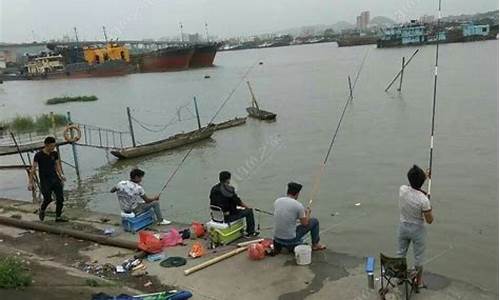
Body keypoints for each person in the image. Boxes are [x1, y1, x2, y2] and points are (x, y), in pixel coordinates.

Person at [397, 165, 434, 288]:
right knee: (419, 257)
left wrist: (424, 175)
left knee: (401, 253)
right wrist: (429, 206)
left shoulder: (402, 189)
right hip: (417, 229)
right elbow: (429, 220)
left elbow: (412, 188)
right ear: (422, 182)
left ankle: (400, 277)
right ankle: (418, 282)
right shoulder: (424, 200)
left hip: (403, 227)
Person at [273, 182, 326, 251]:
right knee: (314, 221)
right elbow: (305, 223)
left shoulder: (277, 201)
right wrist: (307, 213)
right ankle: (315, 245)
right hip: (290, 241)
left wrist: (301, 214)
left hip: (276, 239)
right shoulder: (298, 205)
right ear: (297, 193)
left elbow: (287, 214)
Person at [28, 136, 67, 222]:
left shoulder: (54, 154)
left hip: (55, 178)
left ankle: (58, 217)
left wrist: (61, 175)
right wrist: (30, 182)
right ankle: (42, 210)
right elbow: (33, 169)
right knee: (48, 199)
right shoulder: (38, 155)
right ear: (46, 145)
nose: (53, 148)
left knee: (60, 199)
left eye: (54, 146)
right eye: (51, 146)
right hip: (45, 181)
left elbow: (57, 165)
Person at [209, 171, 259, 237]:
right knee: (249, 212)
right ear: (228, 179)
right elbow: (238, 202)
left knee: (236, 209)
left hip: (216, 217)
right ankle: (251, 232)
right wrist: (247, 207)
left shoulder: (213, 189)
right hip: (227, 217)